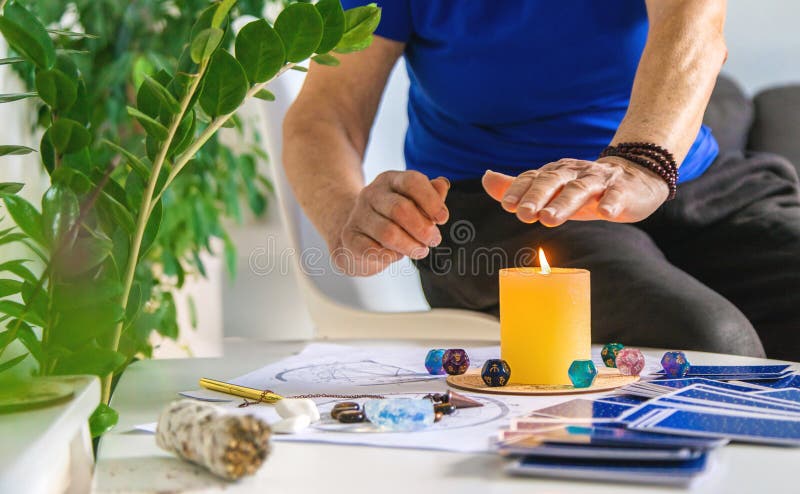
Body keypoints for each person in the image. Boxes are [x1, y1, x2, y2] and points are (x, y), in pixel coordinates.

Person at [283, 0, 800, 360]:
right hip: (499, 208)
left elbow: (694, 21)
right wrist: (348, 217)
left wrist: (639, 162)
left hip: (683, 173)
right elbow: (326, 114)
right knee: (709, 346)